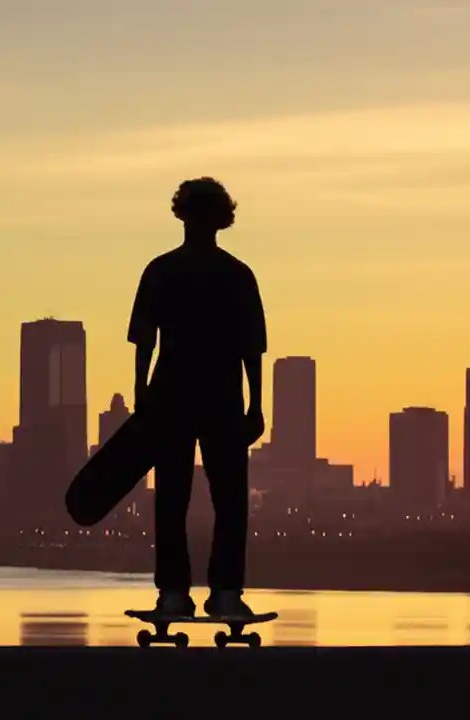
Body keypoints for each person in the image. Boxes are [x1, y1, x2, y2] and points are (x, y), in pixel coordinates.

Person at [127, 177, 266, 618]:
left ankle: (174, 592)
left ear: (182, 215)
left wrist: (141, 391)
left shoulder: (161, 270)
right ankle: (225, 591)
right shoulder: (237, 275)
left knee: (173, 498)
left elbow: (144, 340)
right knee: (229, 499)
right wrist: (256, 404)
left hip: (173, 394)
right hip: (221, 396)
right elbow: (251, 348)